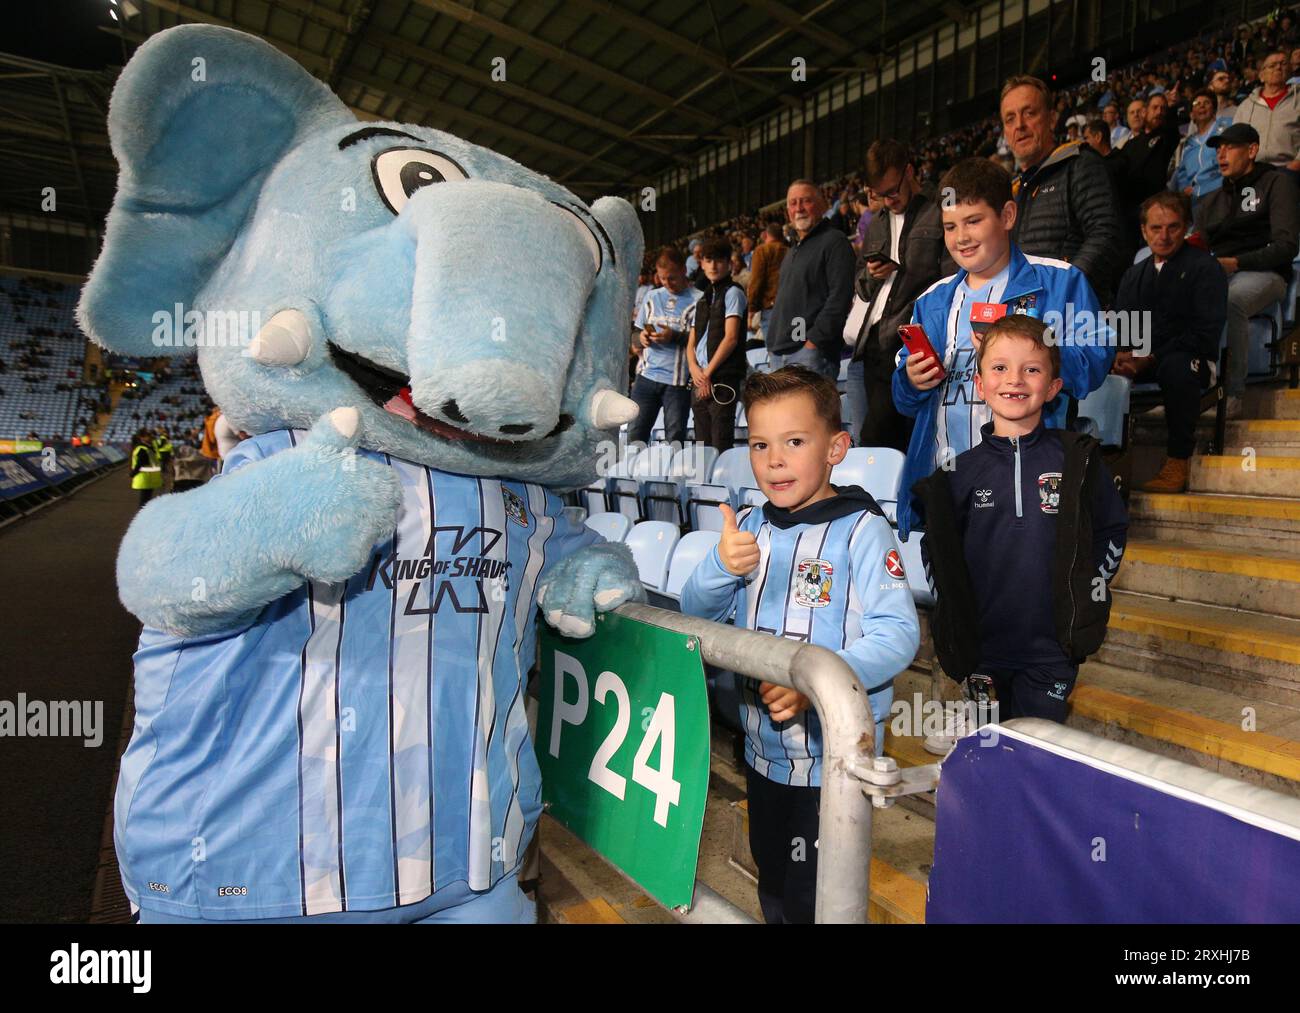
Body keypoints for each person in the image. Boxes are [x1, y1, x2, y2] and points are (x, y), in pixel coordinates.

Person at [680, 365, 919, 924]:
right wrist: (719, 565)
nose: (775, 460)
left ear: (836, 447)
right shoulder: (747, 527)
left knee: (822, 899)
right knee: (776, 885)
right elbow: (696, 617)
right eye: (760, 444)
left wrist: (820, 682)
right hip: (762, 756)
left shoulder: (862, 529)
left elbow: (899, 631)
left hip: (833, 767)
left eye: (794, 441)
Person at [911, 315, 1127, 722]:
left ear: (1053, 387)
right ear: (979, 384)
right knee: (991, 747)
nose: (1015, 380)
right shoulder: (955, 475)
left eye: (1031, 369)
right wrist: (953, 610)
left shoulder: (1077, 459)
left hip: (1051, 651)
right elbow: (936, 549)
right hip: (983, 652)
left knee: (1037, 751)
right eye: (999, 368)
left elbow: (1111, 529)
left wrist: (1089, 587)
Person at [891, 156, 1114, 541]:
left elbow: (1094, 361)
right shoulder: (931, 301)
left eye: (973, 221)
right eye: (949, 226)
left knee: (1022, 594)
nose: (961, 237)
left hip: (1027, 484)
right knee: (953, 598)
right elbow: (903, 401)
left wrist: (1027, 352)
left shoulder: (1061, 282)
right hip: (947, 481)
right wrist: (912, 381)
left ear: (1007, 216)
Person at [1113, 192, 1228, 493]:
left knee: (1177, 368)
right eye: (1155, 228)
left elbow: (1204, 333)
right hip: (1146, 360)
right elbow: (1125, 327)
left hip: (1192, 360)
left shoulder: (1206, 268)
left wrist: (1150, 356)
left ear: (1187, 227)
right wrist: (1123, 354)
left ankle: (1178, 460)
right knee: (1096, 367)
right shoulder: (1133, 275)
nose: (1163, 236)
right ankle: (1106, 460)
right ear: (1143, 231)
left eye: (1173, 227)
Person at [851, 139, 955, 453]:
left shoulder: (939, 208)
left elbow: (951, 280)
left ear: (909, 172)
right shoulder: (877, 224)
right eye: (878, 195)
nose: (888, 200)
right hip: (874, 343)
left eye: (893, 191)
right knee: (883, 443)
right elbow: (860, 287)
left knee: (883, 439)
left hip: (913, 338)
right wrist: (872, 274)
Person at [1195, 122, 1300, 417]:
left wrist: (1238, 263)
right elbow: (1199, 244)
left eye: (1230, 147)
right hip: (1218, 272)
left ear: (1252, 150)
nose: (1221, 154)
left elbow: (1286, 246)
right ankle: (1190, 387)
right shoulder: (1212, 200)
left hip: (1267, 273)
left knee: (1232, 301)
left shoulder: (1277, 183)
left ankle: (1233, 395)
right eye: (1218, 149)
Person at [1002, 75, 1125, 305]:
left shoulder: (1081, 164)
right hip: (1025, 320)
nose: (1019, 125)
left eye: (1029, 113)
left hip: (1074, 320)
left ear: (1051, 119)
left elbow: (1106, 235)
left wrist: (1061, 292)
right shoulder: (1013, 189)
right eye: (1010, 118)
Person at [765, 179, 857, 379]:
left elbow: (840, 297)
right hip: (779, 354)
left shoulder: (835, 241)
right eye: (793, 203)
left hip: (809, 355)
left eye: (805, 201)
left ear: (822, 204)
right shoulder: (792, 251)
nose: (798, 208)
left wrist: (813, 342)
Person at [629, 246, 703, 446]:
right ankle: (635, 477)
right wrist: (642, 338)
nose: (667, 283)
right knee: (635, 435)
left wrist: (674, 337)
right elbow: (634, 336)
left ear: (683, 271)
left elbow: (702, 343)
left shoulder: (699, 300)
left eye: (672, 278)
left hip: (677, 383)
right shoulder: (652, 297)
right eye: (662, 279)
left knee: (674, 439)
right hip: (646, 377)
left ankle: (672, 477)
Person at [686, 237, 748, 453]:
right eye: (708, 260)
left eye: (719, 261)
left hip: (723, 378)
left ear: (729, 264)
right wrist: (695, 370)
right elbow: (691, 343)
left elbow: (731, 338)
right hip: (700, 378)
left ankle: (722, 485)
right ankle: (705, 487)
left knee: (720, 443)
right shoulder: (702, 300)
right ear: (701, 264)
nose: (713, 266)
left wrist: (707, 374)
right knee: (703, 447)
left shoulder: (734, 293)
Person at [1120, 92, 1182, 245]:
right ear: (1145, 112)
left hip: (1154, 208)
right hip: (1129, 211)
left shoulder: (1165, 137)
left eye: (1163, 108)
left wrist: (1173, 107)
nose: (1159, 112)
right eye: (1155, 108)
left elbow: (1173, 132)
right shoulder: (1130, 144)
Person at [1233, 50, 1300, 173]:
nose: (1279, 67)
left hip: (1289, 170)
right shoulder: (1246, 106)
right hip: (1252, 172)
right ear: (1261, 76)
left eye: (1283, 63)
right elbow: (1236, 140)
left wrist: (1297, 163)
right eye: (1272, 65)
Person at [1169, 89, 1234, 208]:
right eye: (1196, 104)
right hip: (1196, 202)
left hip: (1223, 194)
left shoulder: (1227, 125)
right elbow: (1182, 174)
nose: (1202, 106)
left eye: (1207, 103)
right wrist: (1184, 191)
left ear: (1214, 110)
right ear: (1192, 114)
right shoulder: (1188, 144)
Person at [747, 223, 788, 343]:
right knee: (795, 351)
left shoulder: (761, 251)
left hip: (771, 309)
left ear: (766, 235)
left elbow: (756, 281)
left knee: (775, 353)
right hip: (793, 309)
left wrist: (751, 309)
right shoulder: (791, 251)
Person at [130, 429, 162, 507]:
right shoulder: (144, 448)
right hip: (146, 477)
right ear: (142, 437)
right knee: (144, 501)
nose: (151, 437)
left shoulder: (146, 447)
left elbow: (141, 463)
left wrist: (132, 474)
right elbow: (140, 463)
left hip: (146, 478)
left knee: (145, 500)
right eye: (148, 436)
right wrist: (133, 473)